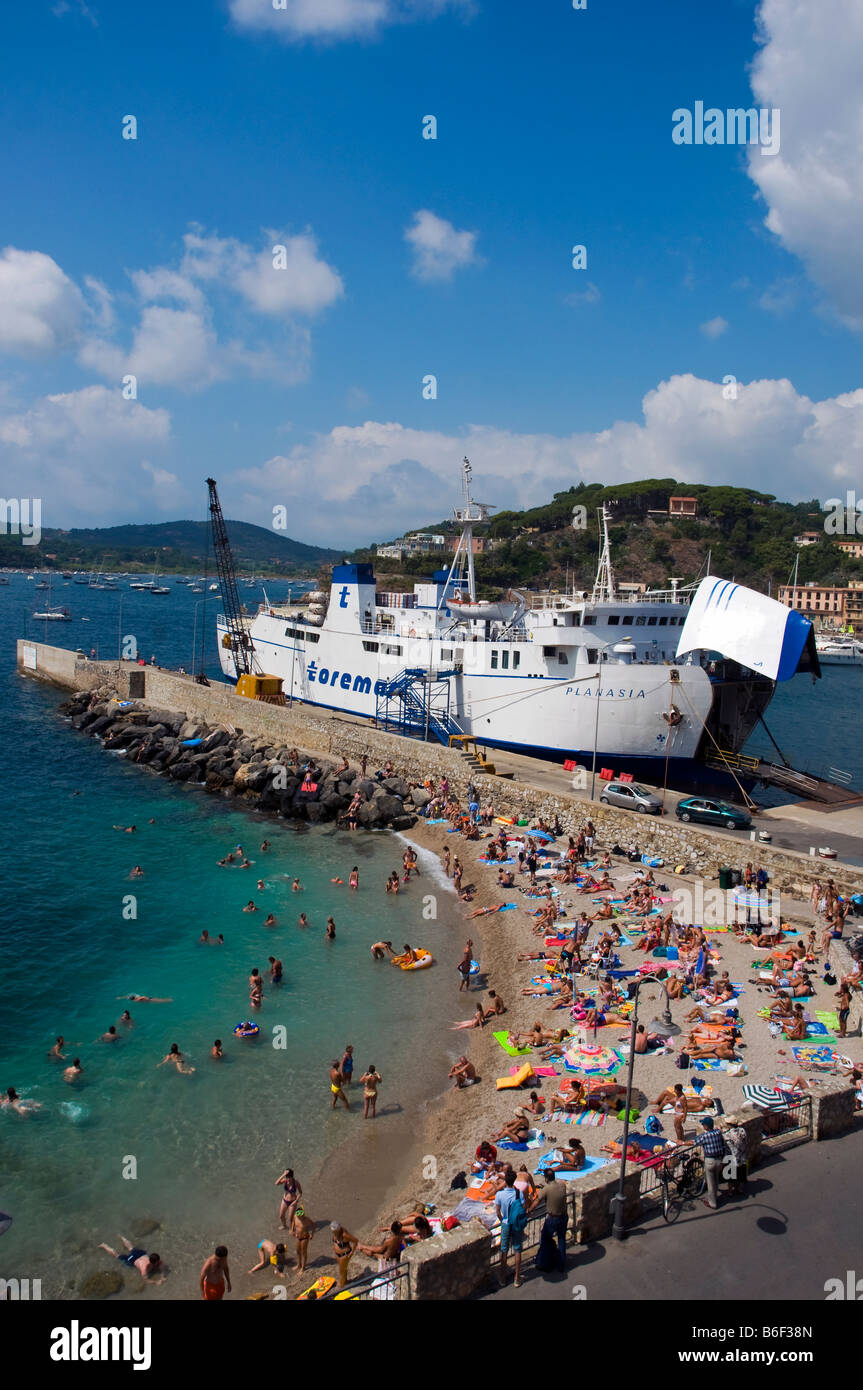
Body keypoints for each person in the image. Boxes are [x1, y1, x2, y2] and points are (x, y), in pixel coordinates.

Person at [495, 1169, 526, 1289]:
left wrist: (503, 1219)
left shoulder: (499, 1195)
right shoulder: (519, 1193)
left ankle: (502, 1277)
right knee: (517, 1249)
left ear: (505, 1181)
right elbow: (522, 1208)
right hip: (516, 1223)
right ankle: (517, 1278)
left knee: (504, 1250)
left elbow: (498, 1211)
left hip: (506, 1223)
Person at [692, 1116, 727, 1210]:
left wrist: (682, 1143)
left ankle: (713, 1203)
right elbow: (719, 1129)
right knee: (716, 1180)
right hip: (719, 1160)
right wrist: (718, 1128)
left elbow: (694, 1142)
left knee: (710, 1183)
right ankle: (714, 1197)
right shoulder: (718, 1133)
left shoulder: (705, 1136)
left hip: (710, 1161)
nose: (702, 1125)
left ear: (707, 1126)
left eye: (703, 1124)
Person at [536, 1170, 568, 1272]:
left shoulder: (547, 1189)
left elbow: (537, 1201)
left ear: (546, 1179)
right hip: (563, 1216)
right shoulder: (562, 1185)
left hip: (553, 1218)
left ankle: (544, 1262)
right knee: (562, 1239)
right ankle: (561, 1264)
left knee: (544, 1239)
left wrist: (529, 1210)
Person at [98, 1238, 165, 1283]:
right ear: (154, 1262)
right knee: (117, 1255)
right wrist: (156, 1282)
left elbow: (161, 1266)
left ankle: (121, 1237)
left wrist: (162, 1276)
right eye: (158, 1262)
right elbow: (146, 1279)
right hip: (133, 1259)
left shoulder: (155, 1259)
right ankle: (104, 1245)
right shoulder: (144, 1269)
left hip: (140, 1254)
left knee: (131, 1248)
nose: (160, 1261)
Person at [330, 1222, 359, 1289]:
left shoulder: (344, 1235)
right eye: (332, 1231)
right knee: (343, 1270)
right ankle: (345, 1282)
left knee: (341, 1271)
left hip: (344, 1255)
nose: (333, 1232)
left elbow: (356, 1241)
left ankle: (341, 1287)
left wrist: (352, 1252)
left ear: (338, 1230)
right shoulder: (335, 1233)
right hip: (338, 1255)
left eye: (334, 1231)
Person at [292, 1207, 315, 1275]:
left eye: (301, 1213)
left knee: (303, 1252)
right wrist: (292, 1229)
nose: (299, 1215)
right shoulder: (295, 1217)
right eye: (298, 1214)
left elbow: (313, 1225)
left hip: (305, 1238)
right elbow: (293, 1223)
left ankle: (303, 1268)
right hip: (297, 1237)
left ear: (303, 1213)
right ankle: (299, 1264)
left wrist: (312, 1234)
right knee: (297, 1251)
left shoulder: (306, 1219)